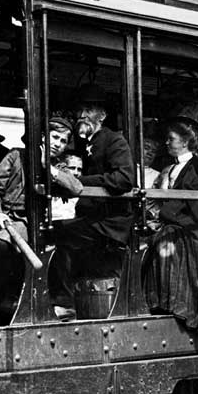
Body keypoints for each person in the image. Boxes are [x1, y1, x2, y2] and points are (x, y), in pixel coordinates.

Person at [48, 84, 135, 321]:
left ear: (102, 116)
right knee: (57, 230)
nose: (82, 115)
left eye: (88, 110)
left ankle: (64, 304)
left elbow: (124, 179)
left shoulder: (114, 141)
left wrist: (81, 181)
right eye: (80, 110)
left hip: (111, 223)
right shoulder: (87, 143)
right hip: (92, 218)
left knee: (62, 234)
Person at [142, 117, 198, 333]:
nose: (167, 143)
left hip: (190, 228)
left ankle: (177, 304)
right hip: (174, 222)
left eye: (171, 139)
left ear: (184, 142)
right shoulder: (173, 167)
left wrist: (167, 216)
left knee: (166, 242)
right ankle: (161, 300)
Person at [51, 153, 83, 222]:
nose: (76, 173)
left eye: (79, 169)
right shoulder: (53, 182)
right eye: (72, 168)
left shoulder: (79, 188)